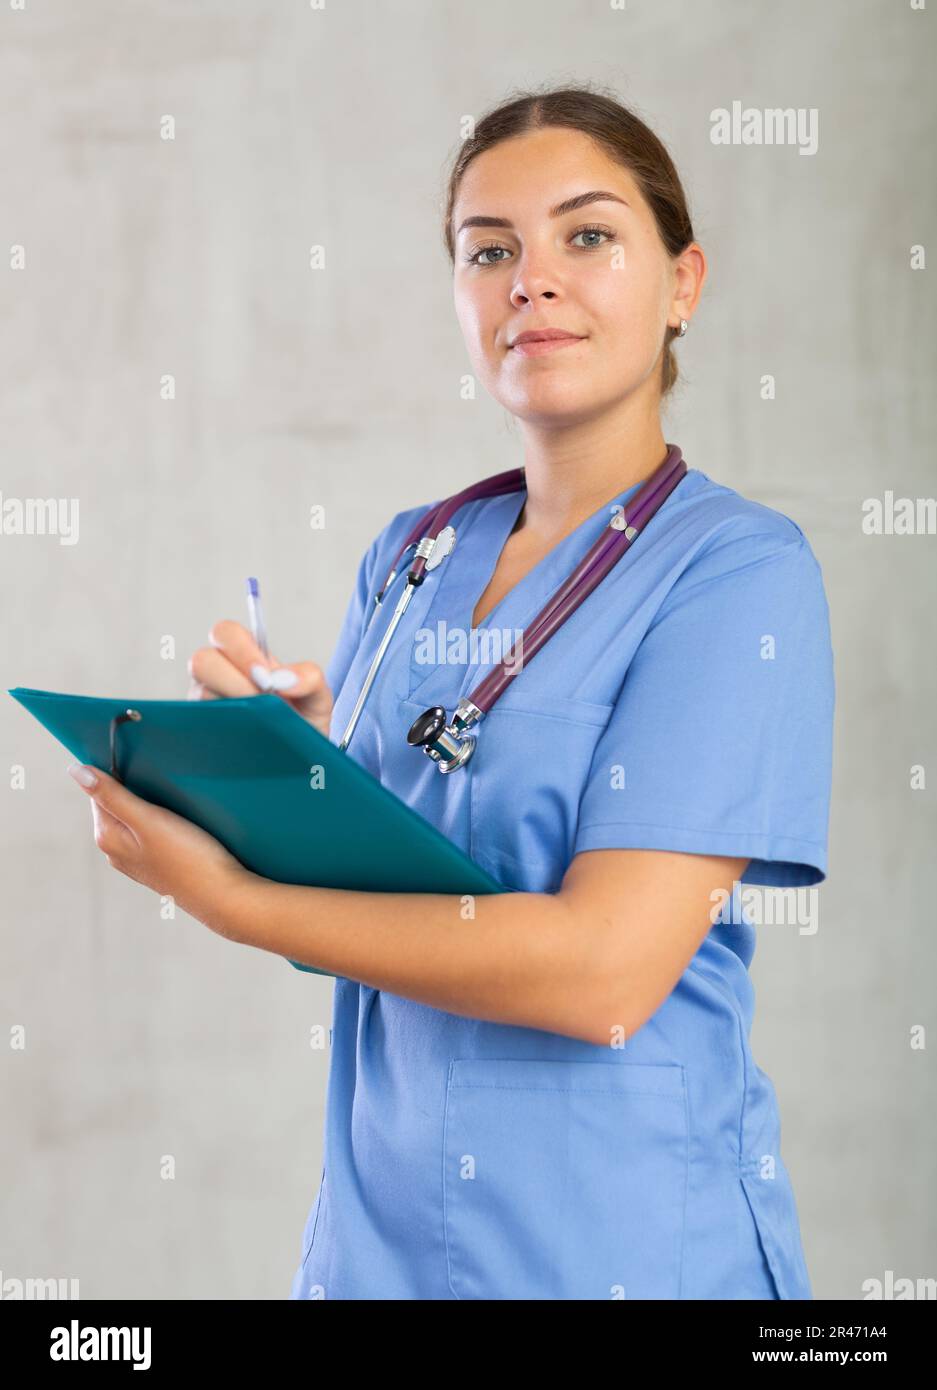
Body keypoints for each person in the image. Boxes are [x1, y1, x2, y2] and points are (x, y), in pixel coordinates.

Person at [74, 84, 835, 1300]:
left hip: (621, 1247)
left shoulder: (736, 576)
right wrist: (287, 771)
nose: (531, 279)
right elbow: (391, 901)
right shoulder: (413, 554)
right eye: (489, 250)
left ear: (683, 282)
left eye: (586, 235)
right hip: (381, 1249)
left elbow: (602, 972)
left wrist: (233, 900)